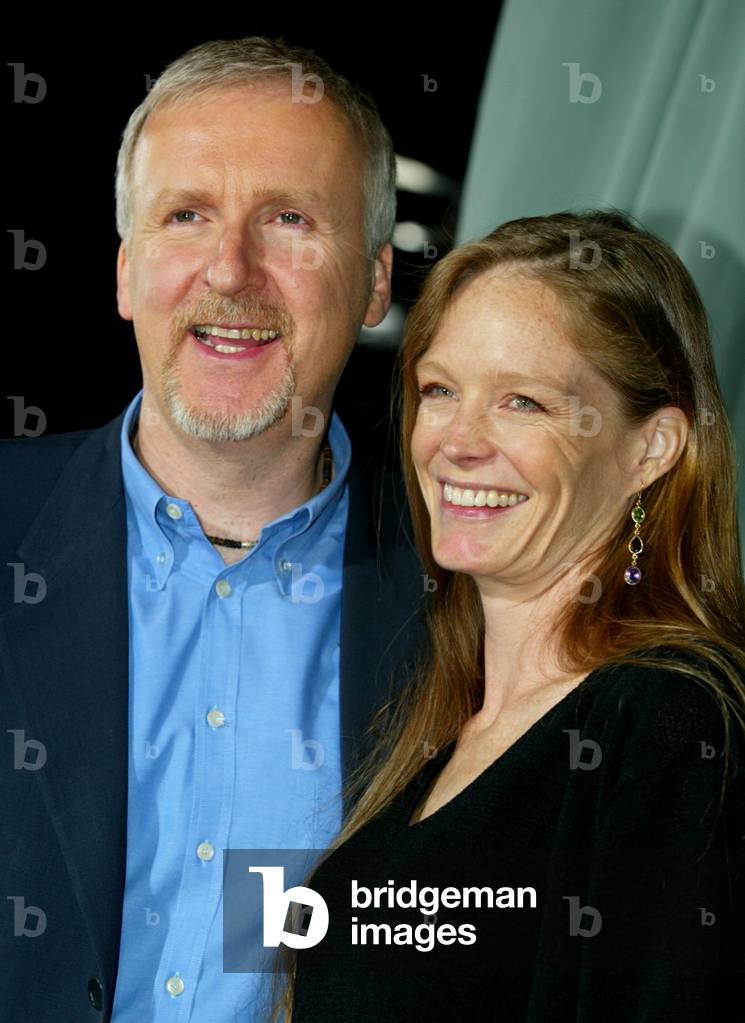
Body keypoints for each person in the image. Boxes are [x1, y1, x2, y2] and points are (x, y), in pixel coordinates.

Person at [0, 37, 431, 1022]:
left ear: (372, 284)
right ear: (124, 271)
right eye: (186, 216)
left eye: (287, 220)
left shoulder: (476, 596)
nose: (229, 269)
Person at [285, 210, 745, 1021]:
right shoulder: (441, 720)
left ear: (652, 448)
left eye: (522, 402)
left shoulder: (669, 722)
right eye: (439, 390)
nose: (457, 441)